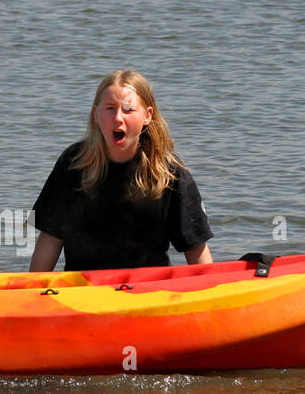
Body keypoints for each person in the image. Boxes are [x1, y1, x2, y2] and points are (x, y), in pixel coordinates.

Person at [29, 70, 213, 272]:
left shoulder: (168, 173)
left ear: (147, 116)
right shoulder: (73, 164)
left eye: (128, 110)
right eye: (110, 108)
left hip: (147, 293)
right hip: (82, 292)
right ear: (96, 114)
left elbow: (197, 252)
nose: (118, 118)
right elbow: (50, 237)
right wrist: (32, 294)